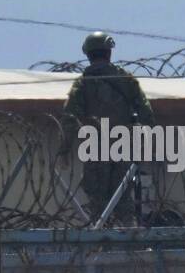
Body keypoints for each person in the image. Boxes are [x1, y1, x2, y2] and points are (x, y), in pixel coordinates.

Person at [62, 31, 155, 224]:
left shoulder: (83, 83)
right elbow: (146, 111)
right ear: (108, 52)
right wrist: (150, 142)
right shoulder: (125, 79)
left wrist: (65, 149)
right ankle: (128, 241)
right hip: (123, 144)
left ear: (88, 54)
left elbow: (70, 117)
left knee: (98, 200)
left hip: (95, 146)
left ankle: (101, 241)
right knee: (123, 197)